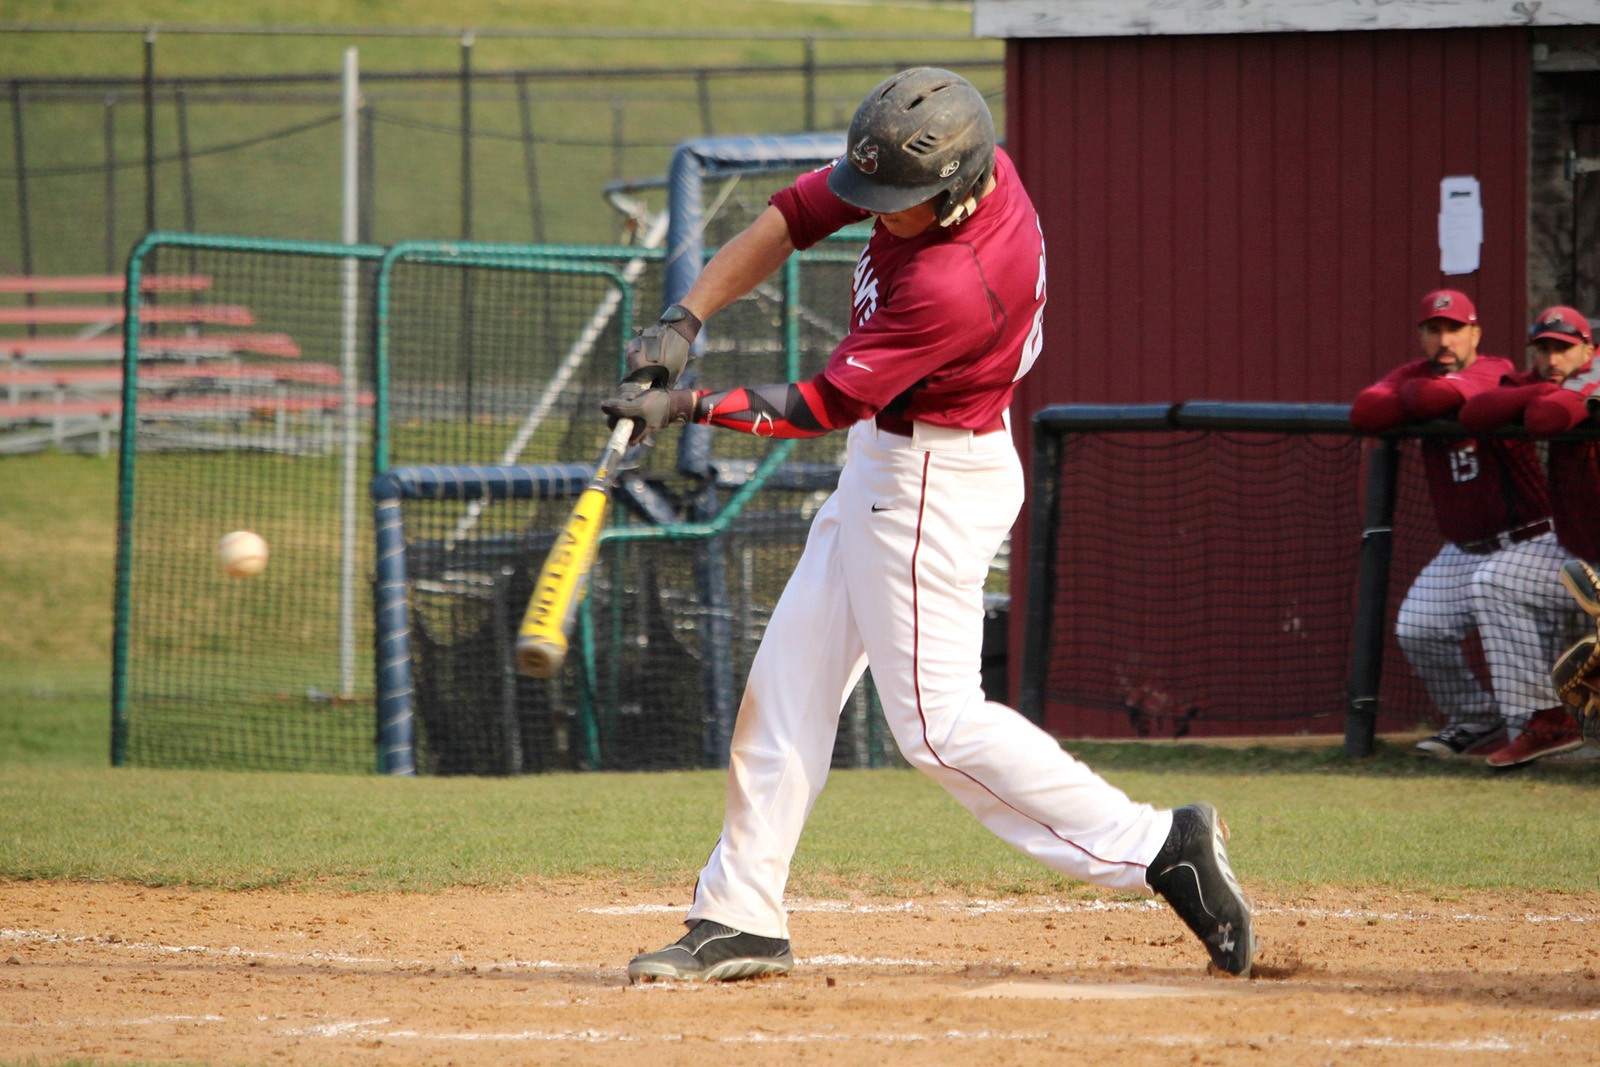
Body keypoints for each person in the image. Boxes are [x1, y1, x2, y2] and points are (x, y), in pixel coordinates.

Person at [600, 68, 1257, 983]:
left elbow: (821, 403)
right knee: (786, 686)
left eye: (897, 203)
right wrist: (684, 316)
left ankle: (1158, 844)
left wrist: (685, 402)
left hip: (925, 485)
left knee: (938, 727)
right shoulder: (943, 162)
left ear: (954, 191)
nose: (876, 212)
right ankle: (739, 913)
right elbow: (792, 217)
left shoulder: (958, 282)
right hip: (894, 461)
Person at [1349, 290, 1560, 760]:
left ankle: (1541, 732)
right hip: (1464, 548)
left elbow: (1436, 396)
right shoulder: (1416, 375)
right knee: (1418, 627)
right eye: (1434, 329)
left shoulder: (1495, 369)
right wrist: (1415, 394)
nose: (1444, 340)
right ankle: (1474, 717)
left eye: (1455, 329)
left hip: (1529, 538)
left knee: (1521, 623)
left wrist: (1415, 396)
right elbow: (1366, 411)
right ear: (1422, 335)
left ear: (1475, 333)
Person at [1456, 305, 1600, 765]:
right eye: (1544, 349)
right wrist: (1539, 386)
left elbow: (1546, 418)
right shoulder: (1543, 379)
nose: (1553, 358)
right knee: (1495, 581)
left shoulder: (1595, 376)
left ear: (1588, 349)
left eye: (1564, 348)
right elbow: (1475, 413)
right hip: (1578, 546)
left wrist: (1543, 392)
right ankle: (1544, 723)